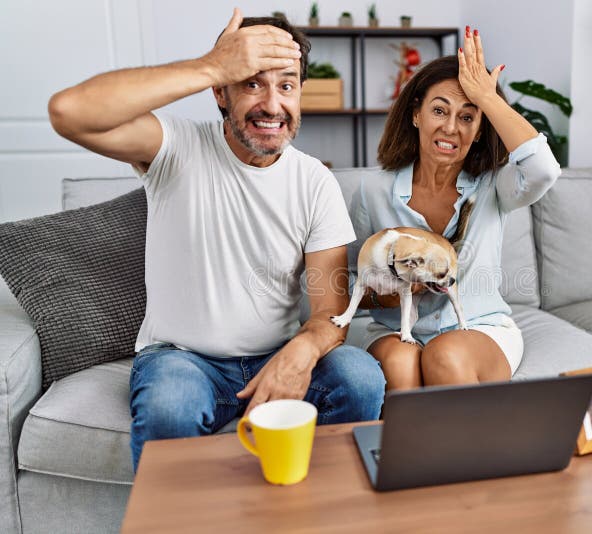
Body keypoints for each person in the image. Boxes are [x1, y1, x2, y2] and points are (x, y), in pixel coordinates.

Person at [48, 9, 385, 472]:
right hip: (184, 361)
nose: (272, 104)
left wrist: (301, 352)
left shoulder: (314, 181)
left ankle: (317, 510)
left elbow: (332, 312)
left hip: (274, 354)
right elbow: (69, 112)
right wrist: (212, 63)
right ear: (220, 92)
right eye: (251, 82)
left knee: (359, 377)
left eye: (286, 85)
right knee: (170, 404)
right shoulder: (176, 148)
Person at [349, 26, 561, 391]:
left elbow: (543, 170)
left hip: (478, 328)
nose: (450, 128)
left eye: (467, 117)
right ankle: (403, 449)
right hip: (393, 326)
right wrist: (389, 291)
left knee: (444, 355)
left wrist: (488, 98)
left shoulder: (495, 185)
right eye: (439, 111)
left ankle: (469, 449)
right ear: (416, 115)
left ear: (480, 129)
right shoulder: (373, 189)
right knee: (401, 364)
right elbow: (350, 279)